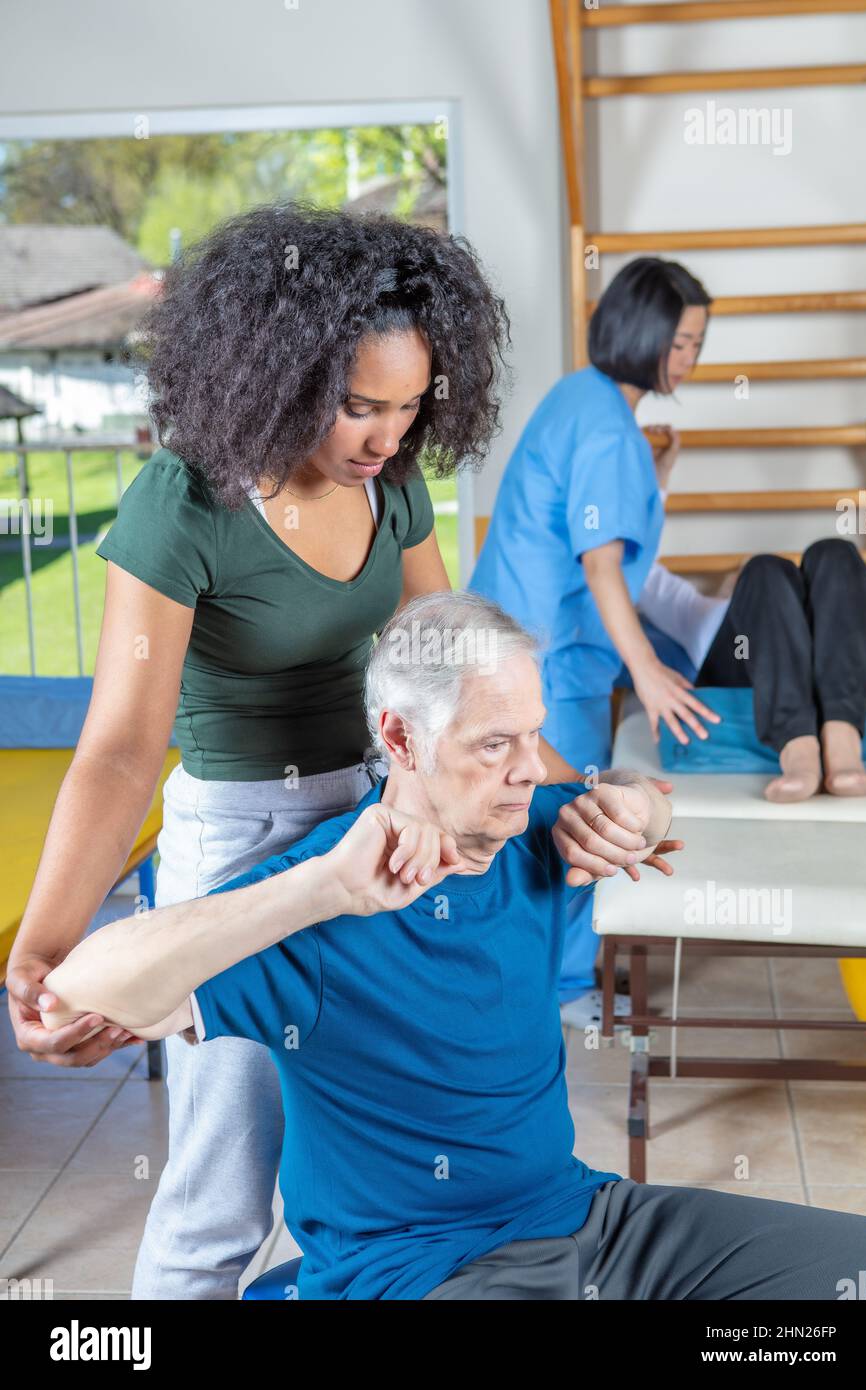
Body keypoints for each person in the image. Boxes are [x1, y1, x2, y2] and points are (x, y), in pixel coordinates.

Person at [7, 204, 668, 1299]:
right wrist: (49, 940)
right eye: (361, 407)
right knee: (222, 1188)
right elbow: (123, 749)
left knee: (377, 1157)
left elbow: (454, 674)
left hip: (378, 818)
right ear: (281, 373)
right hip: (240, 840)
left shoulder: (393, 487)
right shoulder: (184, 503)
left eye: (410, 410)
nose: (387, 439)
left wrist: (567, 790)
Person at [39, 591, 866, 1301]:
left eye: (533, 735)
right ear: (401, 738)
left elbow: (643, 796)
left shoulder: (538, 829)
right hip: (423, 1272)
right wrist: (320, 890)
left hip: (595, 1223)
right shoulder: (310, 901)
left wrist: (632, 804)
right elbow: (79, 992)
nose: (529, 767)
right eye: (494, 744)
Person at [468, 256, 721, 995]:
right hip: (549, 659)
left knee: (538, 817)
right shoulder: (609, 429)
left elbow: (611, 537)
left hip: (521, 649)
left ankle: (550, 979)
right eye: (680, 343)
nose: (691, 360)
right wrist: (648, 675)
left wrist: (658, 475)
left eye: (699, 345)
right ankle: (568, 987)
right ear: (642, 335)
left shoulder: (586, 400)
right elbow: (604, 565)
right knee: (577, 817)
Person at [637, 416, 866, 802]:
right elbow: (640, 576)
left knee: (835, 553)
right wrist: (658, 476)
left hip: (850, 678)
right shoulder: (705, 613)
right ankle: (797, 747)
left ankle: (842, 739)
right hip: (744, 671)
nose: (788, 590)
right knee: (765, 569)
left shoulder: (850, 605)